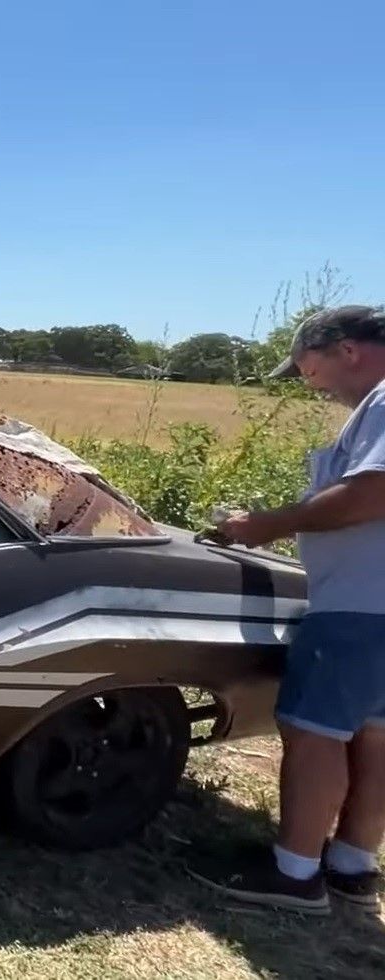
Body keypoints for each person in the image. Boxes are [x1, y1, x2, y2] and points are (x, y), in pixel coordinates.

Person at [190, 305, 385, 914]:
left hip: (361, 604)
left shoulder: (383, 402)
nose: (312, 384)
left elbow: (373, 491)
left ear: (346, 350)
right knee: (375, 735)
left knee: (313, 732)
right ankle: (352, 863)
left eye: (309, 369)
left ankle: (295, 876)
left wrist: (267, 526)